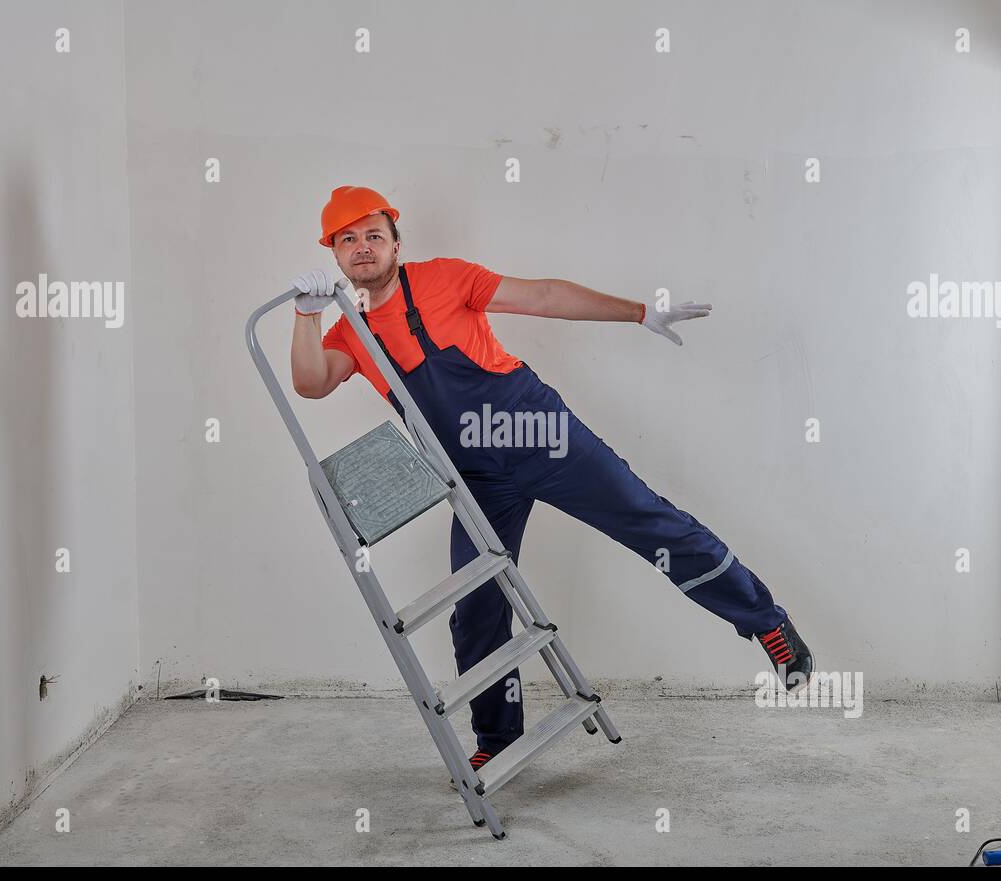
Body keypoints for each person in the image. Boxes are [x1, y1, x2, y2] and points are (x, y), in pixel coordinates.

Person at [290, 185, 814, 773]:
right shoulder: (347, 334)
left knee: (647, 521)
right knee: (476, 600)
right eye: (348, 239)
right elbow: (311, 383)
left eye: (373, 236)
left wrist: (640, 312)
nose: (362, 248)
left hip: (537, 431)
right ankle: (499, 736)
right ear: (334, 253)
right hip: (471, 473)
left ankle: (766, 623)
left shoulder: (445, 277)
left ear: (395, 243)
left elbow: (543, 296)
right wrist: (307, 316)